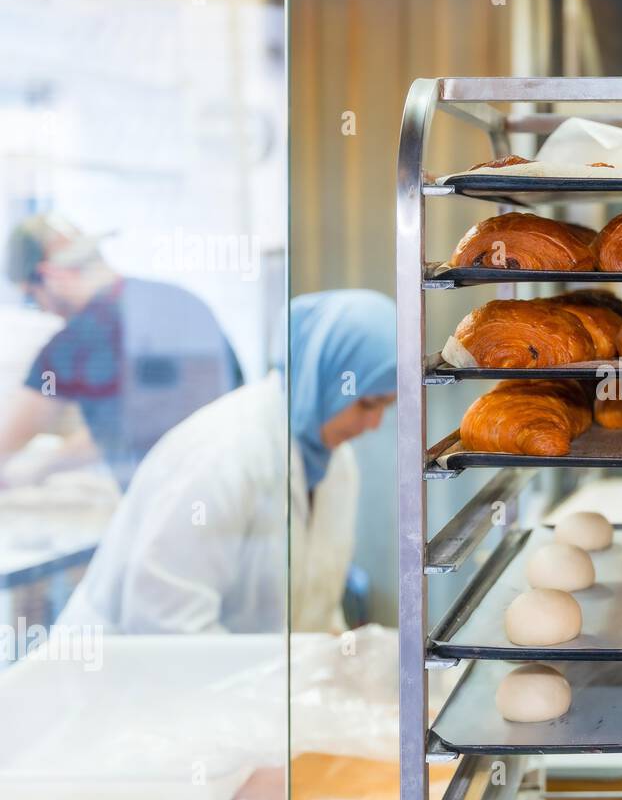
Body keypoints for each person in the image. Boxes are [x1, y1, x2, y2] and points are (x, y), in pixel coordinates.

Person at [55, 289, 397, 634]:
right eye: (368, 404)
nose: (374, 424)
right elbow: (167, 625)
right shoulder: (225, 453)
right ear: (324, 376)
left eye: (387, 407)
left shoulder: (334, 461)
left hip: (246, 680)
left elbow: (316, 606)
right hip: (117, 678)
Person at [0, 214, 240, 490]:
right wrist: (41, 468)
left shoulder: (77, 342)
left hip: (169, 504)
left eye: (32, 296)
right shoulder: (181, 301)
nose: (42, 310)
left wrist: (30, 471)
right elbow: (138, 421)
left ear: (49, 276)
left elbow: (6, 440)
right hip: (238, 493)